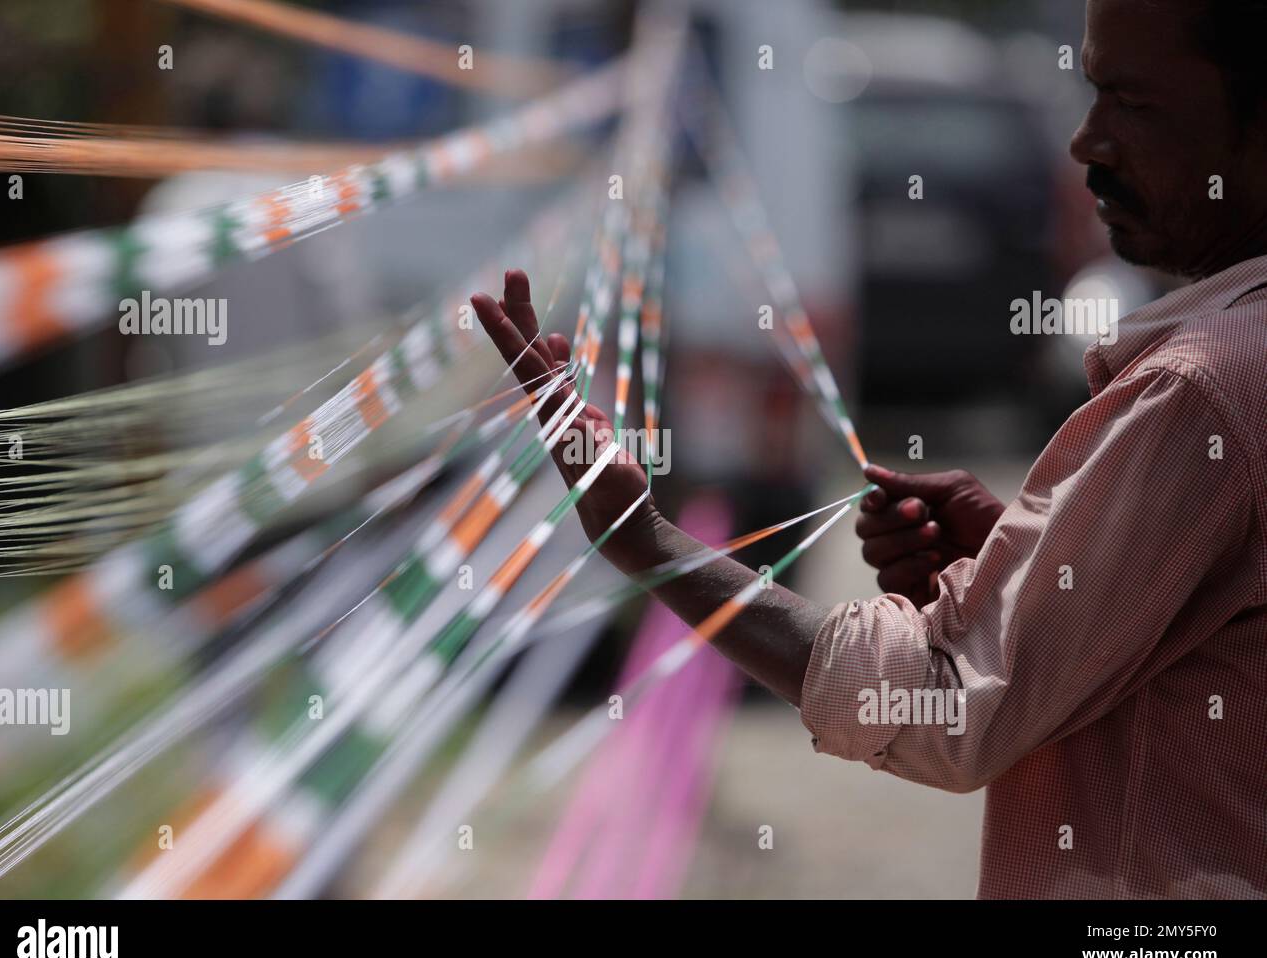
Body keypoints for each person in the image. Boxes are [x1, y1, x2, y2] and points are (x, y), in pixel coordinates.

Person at [470, 0, 1267, 898]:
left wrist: (645, 543)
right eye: (1092, 94)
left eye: (1134, 103)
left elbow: (951, 704)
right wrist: (1043, 566)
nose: (1087, 143)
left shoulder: (1204, 389)